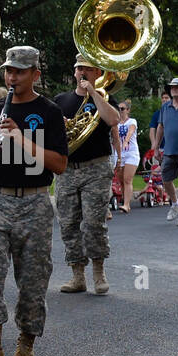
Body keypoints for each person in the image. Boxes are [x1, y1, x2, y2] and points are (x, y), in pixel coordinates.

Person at [0, 46, 68, 356]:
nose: (13, 77)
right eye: (9, 71)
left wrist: (21, 139)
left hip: (35, 201)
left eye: (20, 72)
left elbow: (60, 164)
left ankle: (26, 340)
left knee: (33, 278)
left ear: (35, 75)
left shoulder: (49, 112)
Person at [53, 54, 120, 293]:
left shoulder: (104, 98)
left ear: (97, 73)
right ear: (74, 72)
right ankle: (77, 275)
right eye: (79, 68)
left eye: (88, 69)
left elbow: (114, 119)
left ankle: (99, 273)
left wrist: (93, 92)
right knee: (69, 224)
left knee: (93, 223)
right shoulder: (61, 100)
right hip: (68, 169)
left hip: (96, 168)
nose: (82, 72)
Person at [154, 77, 178, 226]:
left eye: (177, 87)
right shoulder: (165, 107)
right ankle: (175, 203)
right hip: (170, 150)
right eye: (171, 87)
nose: (173, 89)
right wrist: (156, 147)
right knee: (165, 178)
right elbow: (161, 127)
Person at [115, 100, 140, 212]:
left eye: (122, 109)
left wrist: (126, 141)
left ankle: (126, 204)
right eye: (118, 108)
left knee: (127, 179)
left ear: (128, 110)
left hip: (131, 153)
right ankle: (126, 203)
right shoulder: (115, 123)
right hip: (119, 154)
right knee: (121, 181)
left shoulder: (132, 121)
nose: (120, 111)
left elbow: (130, 131)